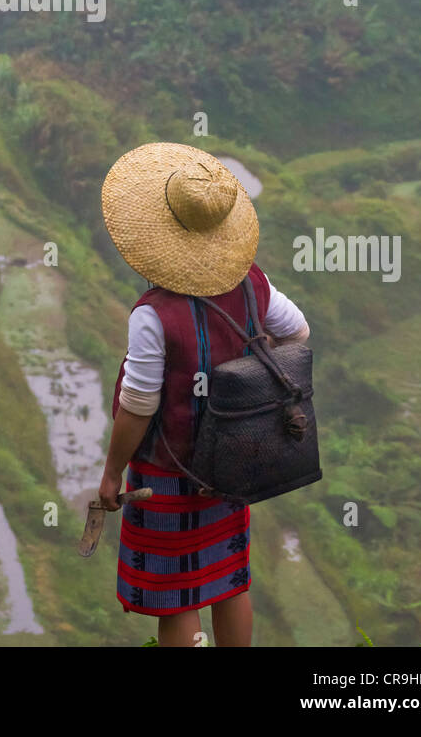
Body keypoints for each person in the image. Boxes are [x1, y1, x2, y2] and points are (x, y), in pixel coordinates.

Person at [97, 143, 309, 648]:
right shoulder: (253, 283)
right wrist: (247, 378)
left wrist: (110, 475)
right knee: (229, 580)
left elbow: (140, 404)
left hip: (171, 474)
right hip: (234, 463)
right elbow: (297, 333)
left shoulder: (154, 314)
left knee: (178, 597)